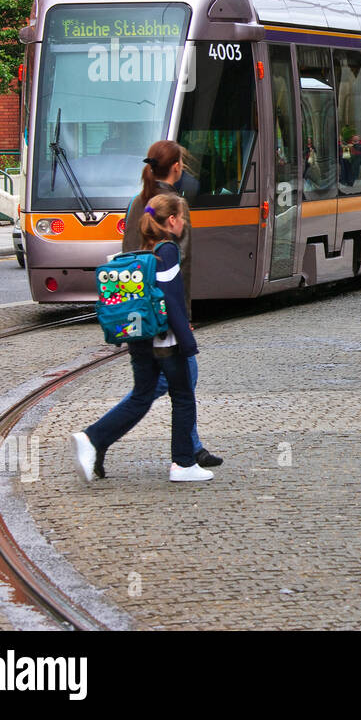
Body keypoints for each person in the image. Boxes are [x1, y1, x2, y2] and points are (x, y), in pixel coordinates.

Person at [72, 194, 213, 482]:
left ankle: (92, 438)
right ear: (172, 220)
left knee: (141, 396)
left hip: (139, 338)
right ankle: (184, 464)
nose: (184, 222)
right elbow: (172, 301)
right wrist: (187, 341)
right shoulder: (169, 251)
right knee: (183, 397)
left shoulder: (143, 251)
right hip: (165, 341)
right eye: (182, 217)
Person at [113, 140, 220, 475]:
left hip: (140, 309)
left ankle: (192, 448)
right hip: (163, 316)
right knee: (166, 387)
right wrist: (184, 320)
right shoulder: (174, 206)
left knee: (177, 383)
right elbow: (178, 268)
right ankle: (96, 437)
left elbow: (128, 253)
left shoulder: (138, 202)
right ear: (177, 167)